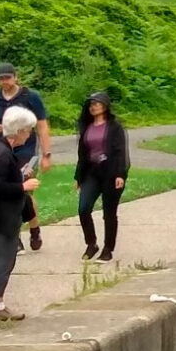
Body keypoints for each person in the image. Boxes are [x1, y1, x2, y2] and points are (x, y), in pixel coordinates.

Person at [0, 63, 52, 251]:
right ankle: (15, 235)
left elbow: (42, 126)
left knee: (25, 191)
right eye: (1, 78)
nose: (5, 82)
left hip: (26, 152)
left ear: (15, 77)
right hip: (3, 151)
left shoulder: (30, 97)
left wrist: (46, 154)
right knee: (10, 191)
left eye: (8, 78)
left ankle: (34, 228)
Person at [0, 105, 40, 321]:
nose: (30, 133)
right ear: (19, 131)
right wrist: (23, 186)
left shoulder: (1, 150)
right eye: (28, 130)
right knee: (3, 260)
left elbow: (2, 180)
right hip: (3, 215)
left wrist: (20, 176)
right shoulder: (2, 154)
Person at [73, 91, 130, 260]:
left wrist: (120, 174)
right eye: (91, 104)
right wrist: (78, 177)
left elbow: (120, 151)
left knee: (109, 212)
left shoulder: (115, 127)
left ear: (105, 106)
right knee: (83, 208)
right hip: (92, 172)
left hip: (111, 172)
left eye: (97, 103)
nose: (93, 107)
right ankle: (91, 244)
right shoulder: (86, 127)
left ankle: (108, 248)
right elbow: (82, 154)